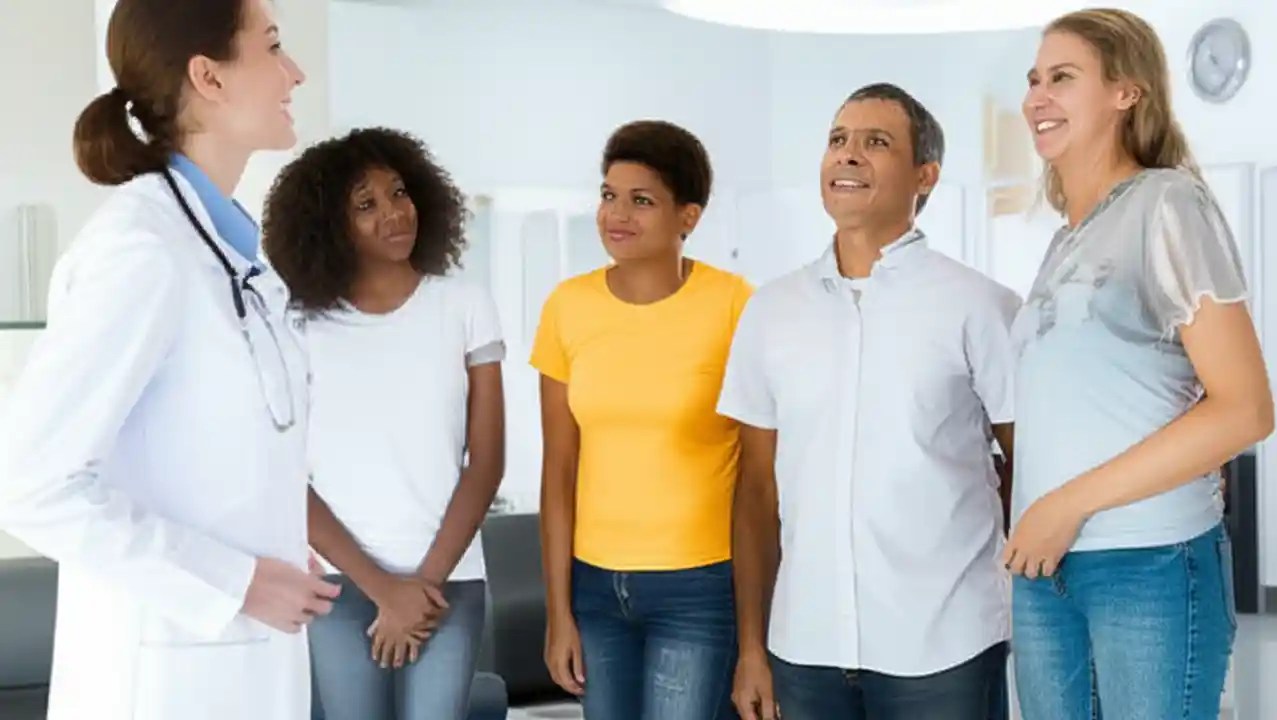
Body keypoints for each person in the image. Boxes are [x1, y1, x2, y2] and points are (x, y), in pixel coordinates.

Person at [0, 1, 339, 718]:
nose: (295, 72)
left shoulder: (228, 255)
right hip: (163, 676)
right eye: (274, 47)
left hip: (237, 661)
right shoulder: (141, 252)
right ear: (208, 77)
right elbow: (30, 483)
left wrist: (266, 547)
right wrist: (234, 580)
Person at [720, 83, 1018, 720]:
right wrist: (751, 647)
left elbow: (1030, 468)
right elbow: (754, 494)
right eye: (837, 140)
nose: (847, 156)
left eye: (876, 143)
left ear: (925, 176)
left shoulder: (980, 306)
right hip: (805, 647)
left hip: (947, 646)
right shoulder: (771, 312)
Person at [1008, 9, 1273, 719]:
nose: (1037, 97)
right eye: (1033, 80)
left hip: (1148, 564)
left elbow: (1245, 410)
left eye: (1063, 78)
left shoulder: (1167, 203)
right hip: (1045, 569)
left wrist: (1066, 506)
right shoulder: (1066, 238)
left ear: (1126, 92)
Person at [262, 127, 505, 720]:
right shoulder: (298, 325)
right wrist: (383, 590)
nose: (394, 213)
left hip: (447, 580)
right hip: (340, 583)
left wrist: (421, 588)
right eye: (366, 205)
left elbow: (488, 460)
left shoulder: (464, 304)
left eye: (399, 193)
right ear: (328, 225)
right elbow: (285, 475)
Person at [532, 119, 753, 720]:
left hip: (700, 587)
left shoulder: (736, 305)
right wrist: (559, 613)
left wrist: (757, 640)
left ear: (689, 216)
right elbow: (559, 472)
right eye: (609, 195)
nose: (617, 214)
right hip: (595, 588)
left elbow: (764, 477)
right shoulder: (567, 307)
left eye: (642, 200)